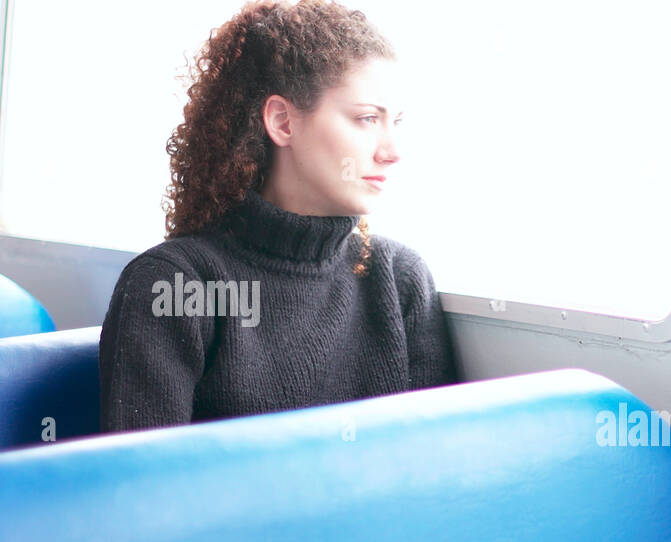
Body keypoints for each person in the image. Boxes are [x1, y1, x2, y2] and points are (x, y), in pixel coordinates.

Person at [99, 0, 459, 432]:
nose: (393, 151)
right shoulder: (174, 285)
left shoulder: (400, 280)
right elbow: (144, 489)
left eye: (396, 121)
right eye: (367, 119)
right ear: (283, 121)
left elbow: (431, 475)